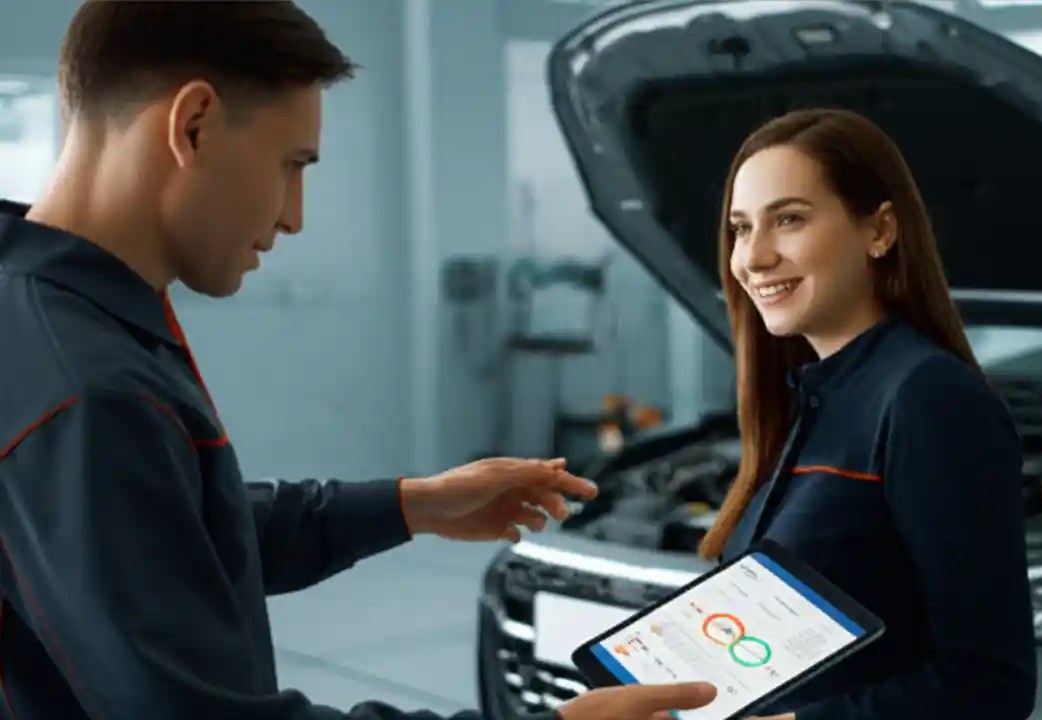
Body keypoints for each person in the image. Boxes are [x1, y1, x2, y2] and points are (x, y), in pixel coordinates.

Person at [0, 2, 716, 719]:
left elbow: (164, 535)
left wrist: (410, 505)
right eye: (292, 165)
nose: (294, 216)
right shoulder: (86, 393)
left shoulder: (39, 310)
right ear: (193, 124)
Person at [698, 108, 1038, 720]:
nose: (753, 257)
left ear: (879, 230)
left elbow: (989, 684)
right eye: (741, 229)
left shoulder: (929, 400)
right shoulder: (804, 398)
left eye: (790, 220)